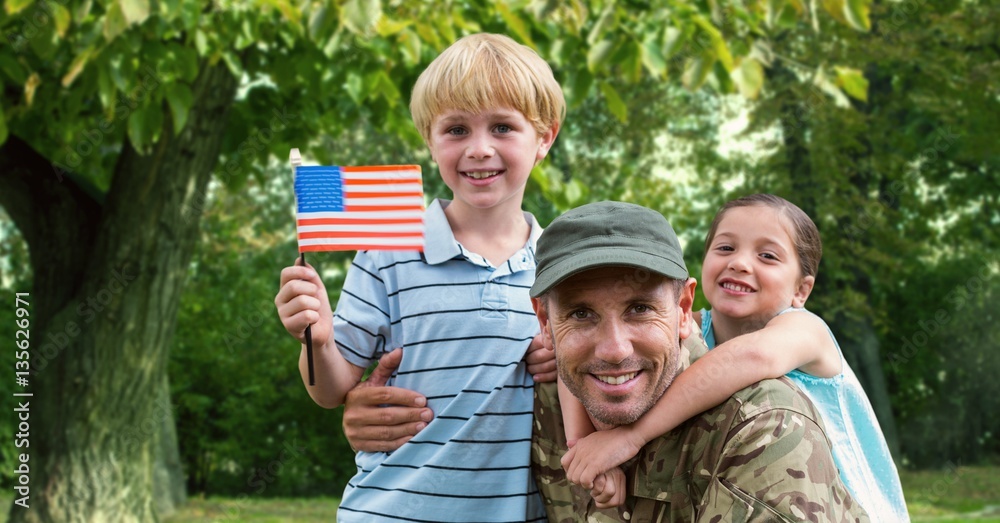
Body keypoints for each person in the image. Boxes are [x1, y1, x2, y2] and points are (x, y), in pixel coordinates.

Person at [274, 33, 563, 522]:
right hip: (391, 510)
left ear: (543, 139)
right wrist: (317, 337)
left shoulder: (560, 264)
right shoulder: (388, 252)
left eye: (501, 127)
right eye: (455, 130)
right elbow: (330, 389)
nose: (478, 149)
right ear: (430, 141)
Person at [557, 194, 908, 521]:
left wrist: (628, 438)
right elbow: (573, 356)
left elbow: (750, 356)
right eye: (725, 247)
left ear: (801, 289)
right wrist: (586, 448)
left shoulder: (805, 330)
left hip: (840, 503)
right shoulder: (686, 324)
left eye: (767, 256)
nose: (739, 263)